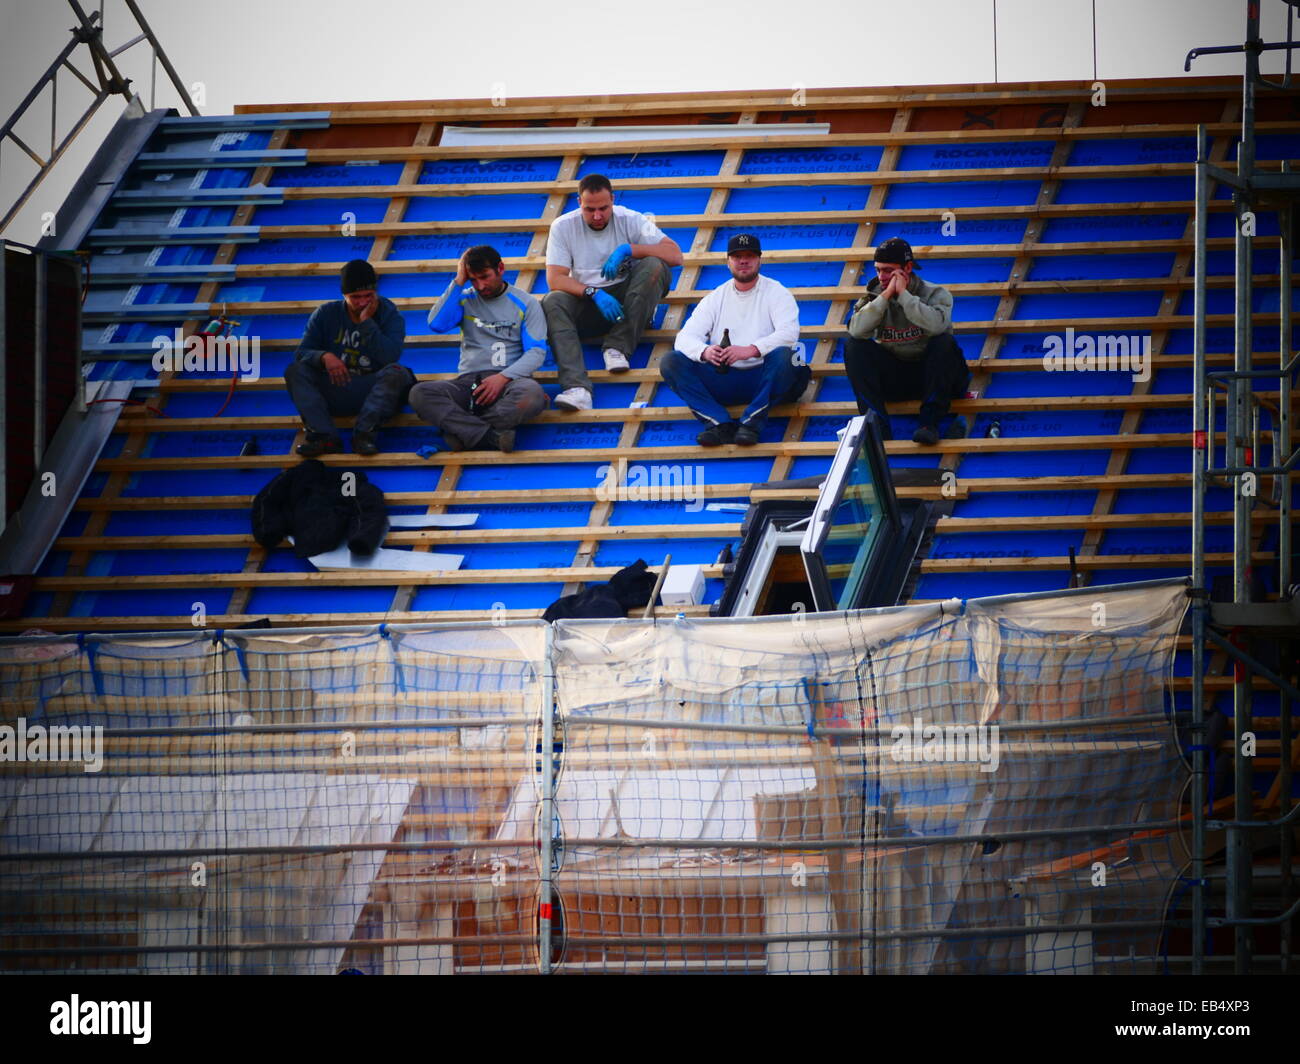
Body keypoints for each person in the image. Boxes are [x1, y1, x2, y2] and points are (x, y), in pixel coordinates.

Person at [543, 173, 682, 412]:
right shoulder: (563, 226)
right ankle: (577, 389)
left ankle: (617, 346)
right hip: (587, 303)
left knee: (654, 265)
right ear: (579, 203)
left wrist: (630, 249)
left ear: (613, 201)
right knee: (553, 300)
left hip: (628, 303)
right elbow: (555, 278)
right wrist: (592, 292)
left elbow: (675, 255)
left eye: (603, 208)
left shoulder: (630, 219)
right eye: (589, 209)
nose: (597, 216)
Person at [658, 233, 808, 447]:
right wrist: (705, 352)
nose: (743, 261)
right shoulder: (716, 297)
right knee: (671, 361)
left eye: (749, 256)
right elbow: (685, 338)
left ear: (759, 259)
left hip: (765, 376)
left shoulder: (777, 292)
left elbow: (789, 334)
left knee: (791, 357)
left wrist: (752, 349)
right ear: (728, 261)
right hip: (726, 378)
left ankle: (751, 424)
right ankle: (719, 424)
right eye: (737, 256)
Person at [409, 245, 548, 452]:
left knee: (532, 394)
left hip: (509, 383)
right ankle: (489, 436)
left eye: (485, 277)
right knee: (419, 393)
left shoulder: (526, 303)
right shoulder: (465, 298)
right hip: (468, 384)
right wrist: (458, 281)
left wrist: (502, 377)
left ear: (500, 269)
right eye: (473, 279)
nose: (481, 285)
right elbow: (437, 324)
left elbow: (536, 352)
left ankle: (464, 432)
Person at [842, 237, 969, 446]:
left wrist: (903, 295)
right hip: (899, 377)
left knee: (944, 343)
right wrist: (885, 297)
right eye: (878, 270)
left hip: (938, 377)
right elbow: (856, 331)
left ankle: (929, 424)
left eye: (888, 270)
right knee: (854, 347)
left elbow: (937, 327)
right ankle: (877, 429)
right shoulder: (874, 297)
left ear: (907, 268)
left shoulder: (936, 293)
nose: (882, 276)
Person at [286, 259, 414, 456]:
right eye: (355, 297)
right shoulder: (326, 313)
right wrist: (324, 357)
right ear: (344, 295)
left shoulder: (389, 313)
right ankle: (323, 436)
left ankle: (364, 435)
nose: (363, 303)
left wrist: (366, 323)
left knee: (398, 373)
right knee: (295, 371)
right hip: (335, 390)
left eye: (368, 296)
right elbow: (302, 352)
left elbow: (390, 356)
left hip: (372, 392)